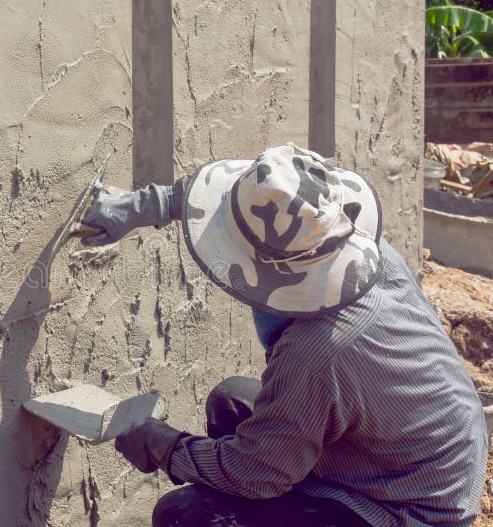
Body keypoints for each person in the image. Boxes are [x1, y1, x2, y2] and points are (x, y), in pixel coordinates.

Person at [79, 144, 488, 526]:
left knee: (185, 514)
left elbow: (254, 473)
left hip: (413, 509)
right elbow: (272, 191)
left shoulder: (317, 351)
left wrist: (161, 444)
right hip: (419, 452)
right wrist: (153, 203)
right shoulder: (359, 245)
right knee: (232, 402)